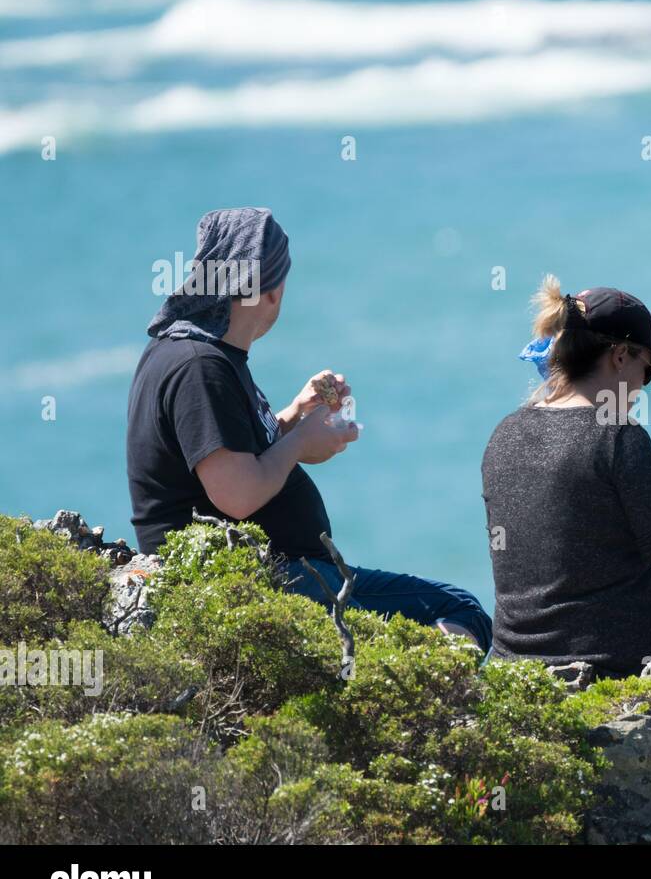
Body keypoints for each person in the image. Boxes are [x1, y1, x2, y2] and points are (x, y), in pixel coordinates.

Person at [125, 206, 491, 650]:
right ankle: (425, 703)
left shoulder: (194, 352)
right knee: (459, 612)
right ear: (272, 290)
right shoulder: (201, 367)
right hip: (251, 580)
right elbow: (237, 494)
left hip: (274, 569)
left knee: (454, 606)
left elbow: (227, 457)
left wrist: (291, 417)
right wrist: (301, 442)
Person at [480, 275, 651, 677]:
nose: (644, 386)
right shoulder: (618, 435)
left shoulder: (504, 432)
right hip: (615, 652)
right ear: (621, 356)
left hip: (515, 659)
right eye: (648, 371)